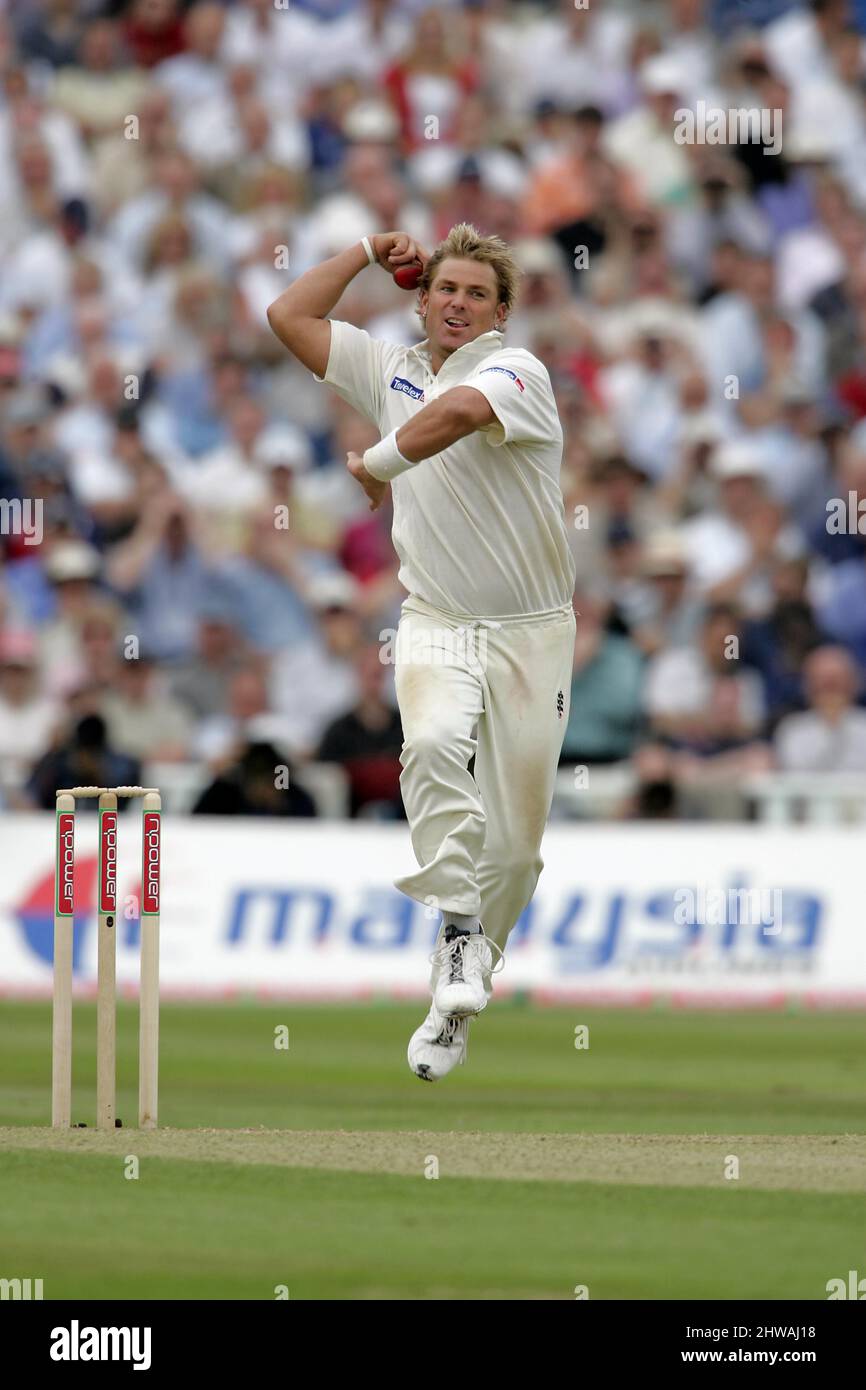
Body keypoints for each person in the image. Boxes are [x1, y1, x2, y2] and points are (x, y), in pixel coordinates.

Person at [267, 221, 577, 1082]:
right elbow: (287, 316)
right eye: (447, 289)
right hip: (436, 616)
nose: (459, 304)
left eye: (478, 294)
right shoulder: (389, 364)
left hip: (530, 633)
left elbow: (456, 418)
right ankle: (457, 934)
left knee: (515, 851)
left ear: (500, 312)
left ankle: (471, 975)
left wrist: (371, 462)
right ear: (423, 297)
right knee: (435, 746)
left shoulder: (517, 371)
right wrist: (365, 251)